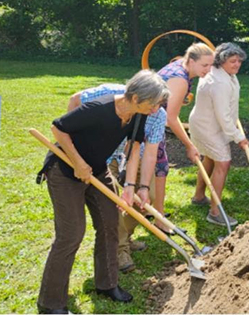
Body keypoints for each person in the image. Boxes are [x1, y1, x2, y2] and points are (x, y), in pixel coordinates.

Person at [36, 71, 168, 314]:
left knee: (110, 223)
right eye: (154, 103)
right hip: (65, 170)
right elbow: (58, 127)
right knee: (72, 234)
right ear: (136, 97)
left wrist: (130, 187)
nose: (156, 109)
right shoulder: (100, 107)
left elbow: (135, 146)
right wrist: (77, 162)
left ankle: (107, 284)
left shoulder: (138, 116)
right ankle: (50, 303)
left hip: (97, 170)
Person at [68, 83, 169, 273]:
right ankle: (119, 250)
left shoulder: (158, 115)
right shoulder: (110, 95)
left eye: (160, 104)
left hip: (133, 157)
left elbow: (149, 153)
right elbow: (75, 100)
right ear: (140, 96)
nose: (155, 109)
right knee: (112, 202)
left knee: (149, 199)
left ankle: (124, 236)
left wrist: (144, 187)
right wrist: (76, 147)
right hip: (104, 156)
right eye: (153, 104)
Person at [189, 42, 249, 226]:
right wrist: (239, 137)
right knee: (223, 162)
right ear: (221, 61)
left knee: (210, 158)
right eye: (233, 61)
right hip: (208, 126)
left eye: (239, 61)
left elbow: (226, 110)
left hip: (209, 123)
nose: (237, 64)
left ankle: (199, 196)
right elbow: (223, 116)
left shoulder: (224, 74)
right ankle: (215, 212)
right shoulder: (218, 82)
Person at [157, 43, 213, 217]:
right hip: (147, 124)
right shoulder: (180, 79)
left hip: (151, 119)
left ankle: (152, 209)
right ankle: (158, 217)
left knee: (155, 169)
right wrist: (189, 145)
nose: (208, 70)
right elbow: (170, 118)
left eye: (211, 65)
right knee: (159, 168)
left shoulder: (180, 65)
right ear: (191, 60)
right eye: (205, 65)